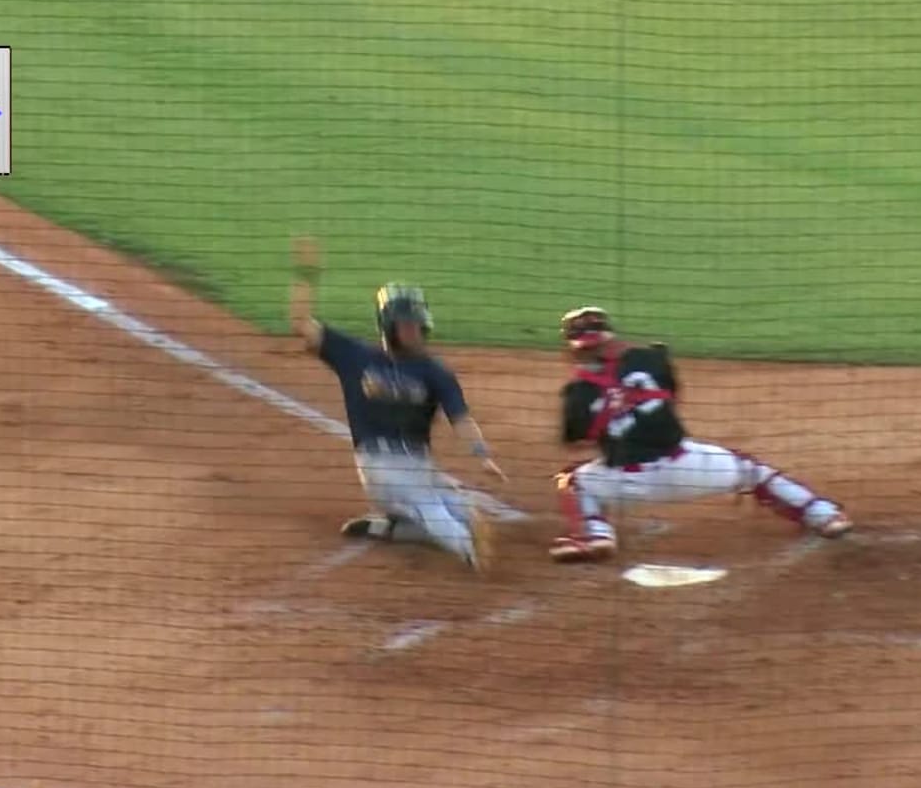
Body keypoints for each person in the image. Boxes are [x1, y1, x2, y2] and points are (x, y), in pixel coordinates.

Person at [548, 306, 853, 562]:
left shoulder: (578, 392)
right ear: (608, 335)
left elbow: (576, 441)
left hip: (626, 482)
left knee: (572, 480)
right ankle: (824, 515)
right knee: (751, 470)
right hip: (690, 469)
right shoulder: (651, 359)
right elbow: (671, 395)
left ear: (573, 348)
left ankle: (595, 534)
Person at [288, 235, 506, 573]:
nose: (415, 330)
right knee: (432, 509)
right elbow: (302, 324)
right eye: (407, 325)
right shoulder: (355, 356)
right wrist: (306, 273)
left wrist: (482, 455)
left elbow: (460, 418)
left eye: (417, 324)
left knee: (459, 506)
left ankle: (388, 527)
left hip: (420, 465)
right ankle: (467, 550)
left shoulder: (434, 371)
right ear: (388, 326)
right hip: (379, 466)